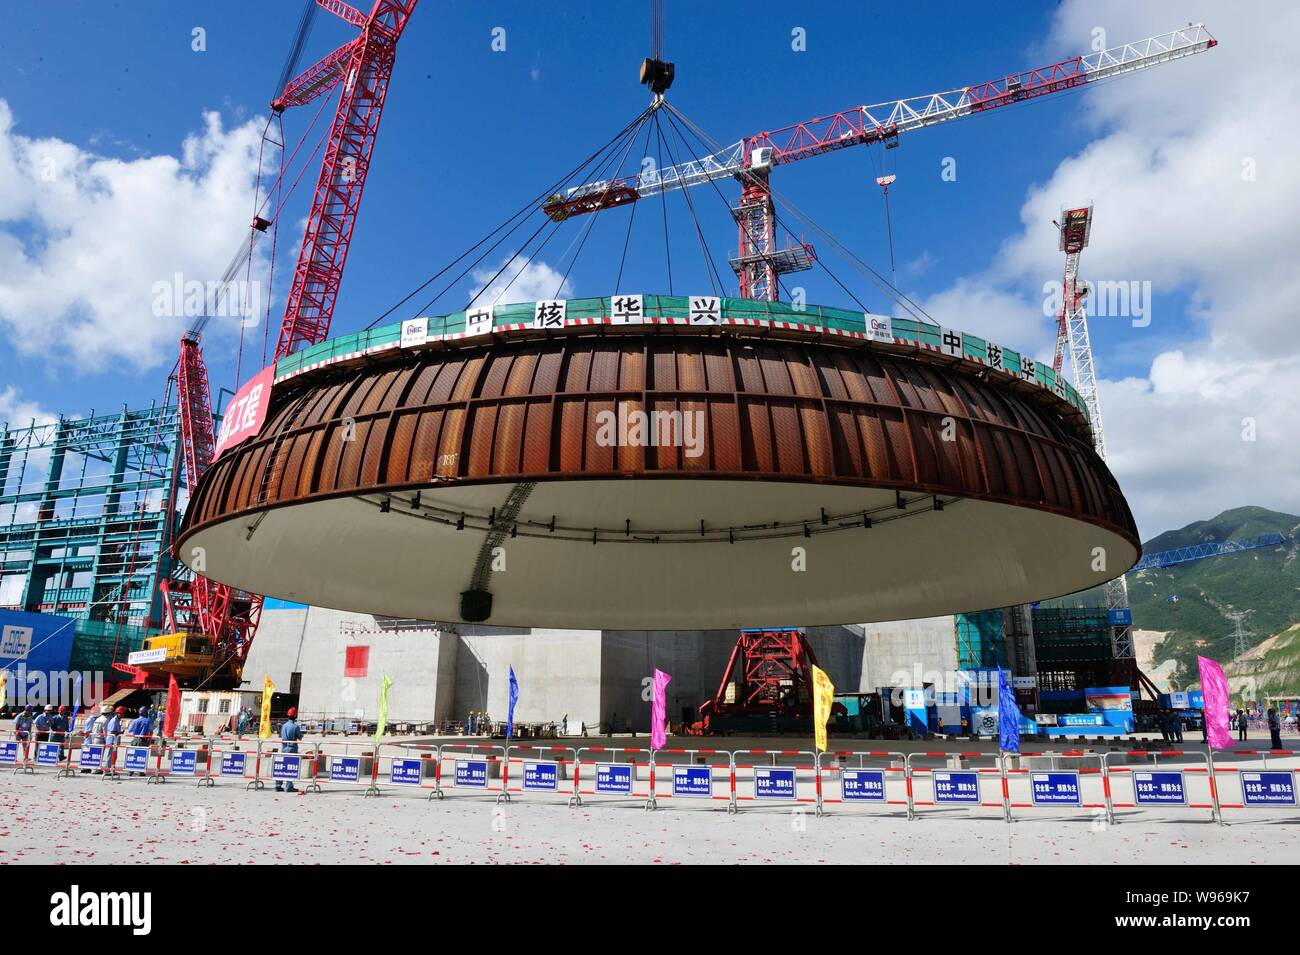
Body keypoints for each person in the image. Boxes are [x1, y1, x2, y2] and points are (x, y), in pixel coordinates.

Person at [275, 707, 304, 794]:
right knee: (290, 767)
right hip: (292, 749)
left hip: (283, 748)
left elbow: (281, 736)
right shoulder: (295, 726)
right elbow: (300, 737)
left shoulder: (284, 726)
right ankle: (289, 786)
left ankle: (278, 785)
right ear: (295, 716)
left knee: (282, 767)